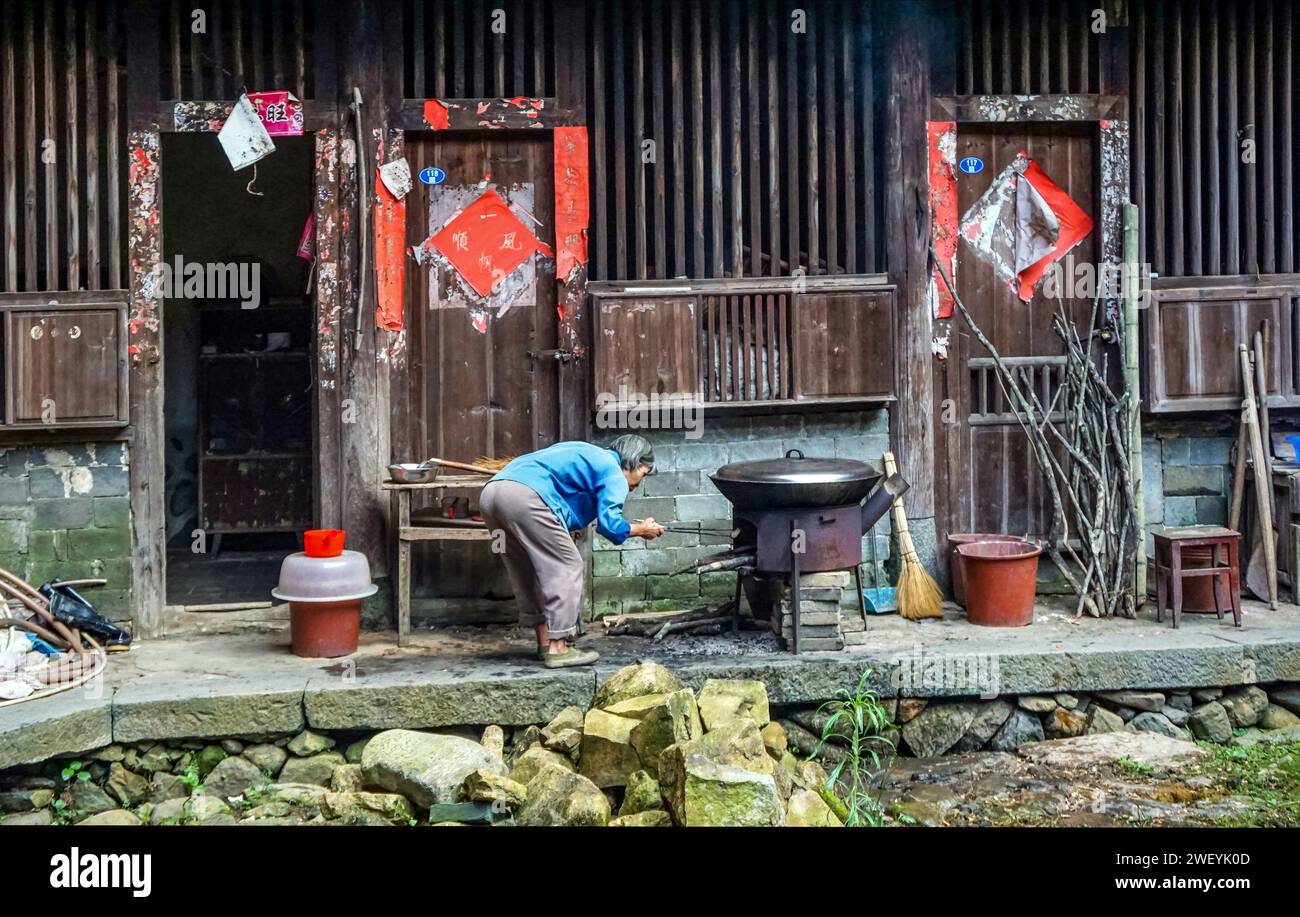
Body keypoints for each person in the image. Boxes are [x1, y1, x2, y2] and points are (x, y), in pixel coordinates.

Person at [478, 434, 665, 668]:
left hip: (492, 493)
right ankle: (559, 648)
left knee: (528, 569)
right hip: (525, 498)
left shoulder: (587, 453)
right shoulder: (613, 470)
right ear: (633, 462)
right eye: (643, 474)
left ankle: (545, 643)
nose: (638, 484)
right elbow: (610, 526)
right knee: (568, 564)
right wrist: (641, 529)